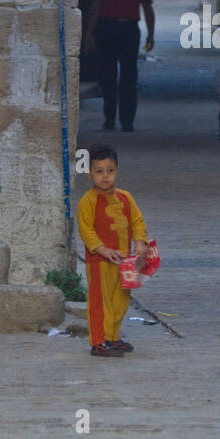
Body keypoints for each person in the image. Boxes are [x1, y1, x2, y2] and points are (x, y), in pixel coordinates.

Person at [76, 144, 150, 357]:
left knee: (121, 299)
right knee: (101, 301)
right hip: (99, 262)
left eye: (110, 170)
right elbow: (86, 229)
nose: (105, 176)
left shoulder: (125, 197)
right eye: (99, 171)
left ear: (117, 170)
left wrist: (140, 242)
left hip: (125, 261)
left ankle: (112, 337)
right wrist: (102, 249)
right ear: (89, 174)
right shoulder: (88, 201)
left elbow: (136, 220)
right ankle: (98, 341)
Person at [85, 0, 154, 132]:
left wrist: (89, 32)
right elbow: (147, 8)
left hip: (107, 28)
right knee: (129, 75)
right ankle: (127, 120)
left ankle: (109, 118)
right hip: (129, 29)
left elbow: (96, 6)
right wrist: (151, 34)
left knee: (108, 73)